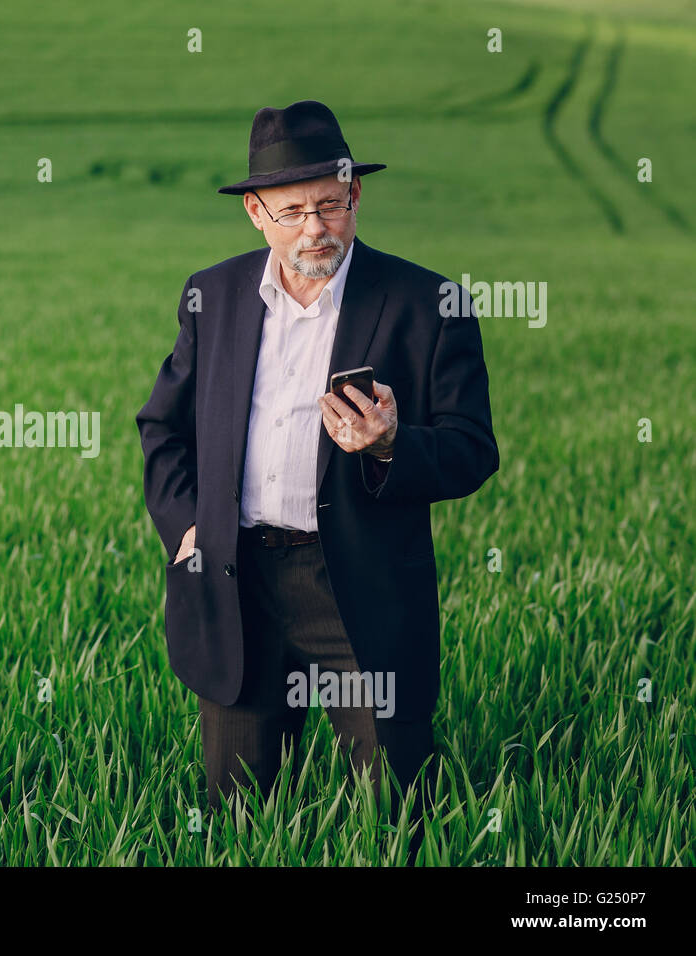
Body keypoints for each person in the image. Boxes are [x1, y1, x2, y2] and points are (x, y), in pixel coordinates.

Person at [135, 100, 499, 856]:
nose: (316, 229)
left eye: (331, 205)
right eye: (294, 210)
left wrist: (392, 444)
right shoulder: (215, 296)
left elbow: (471, 449)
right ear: (256, 214)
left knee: (399, 817)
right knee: (238, 819)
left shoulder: (427, 304)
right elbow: (163, 429)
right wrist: (188, 530)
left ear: (355, 197)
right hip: (236, 585)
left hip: (358, 590)